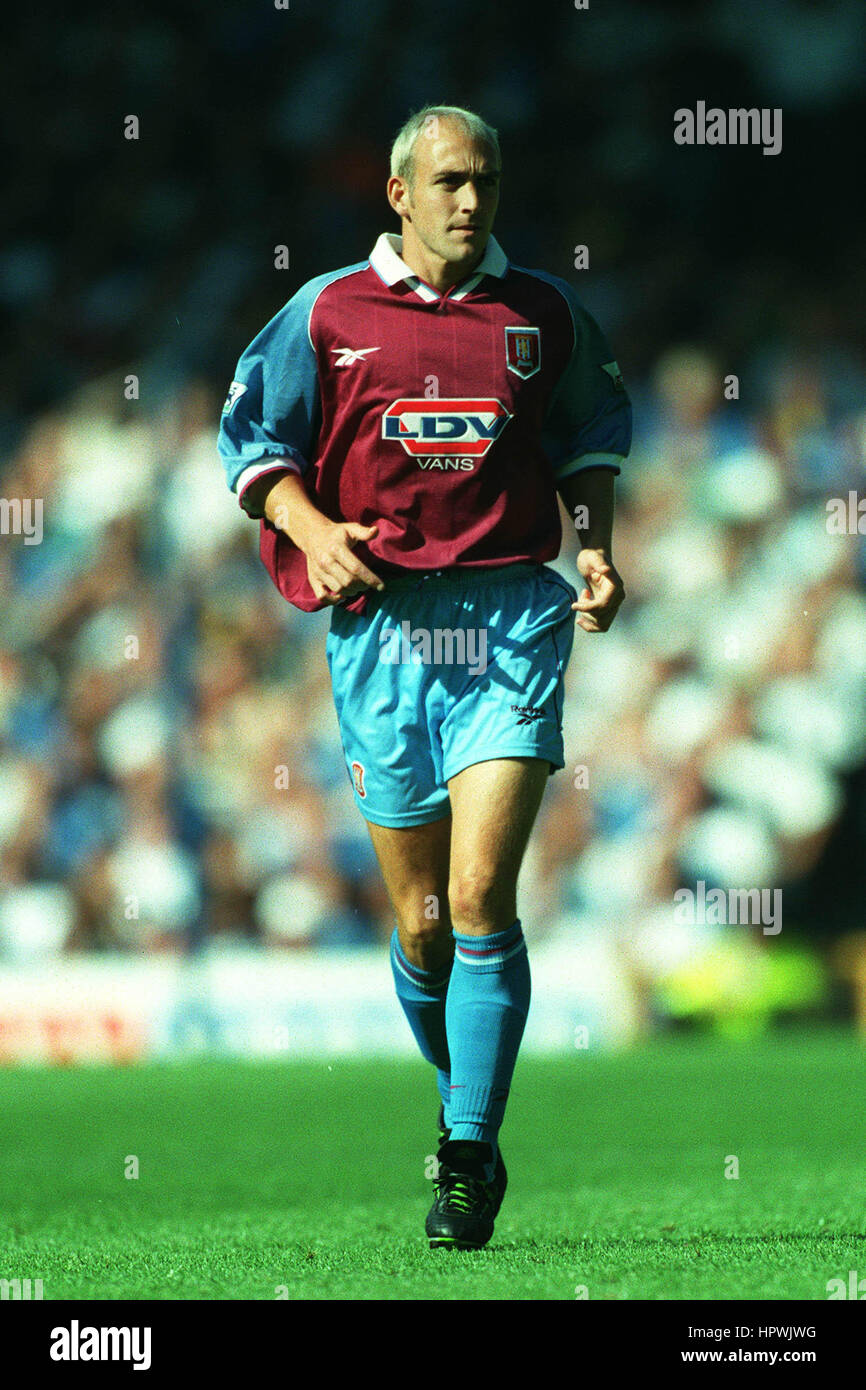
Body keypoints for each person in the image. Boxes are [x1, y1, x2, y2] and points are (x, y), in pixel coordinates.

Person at [217, 104, 631, 1250]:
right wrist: (309, 527)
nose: (470, 201)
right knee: (424, 916)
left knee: (484, 893)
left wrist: (591, 545)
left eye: (485, 182)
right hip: (383, 632)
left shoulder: (539, 312)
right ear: (397, 192)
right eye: (448, 181)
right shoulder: (326, 311)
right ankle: (469, 1111)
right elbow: (253, 443)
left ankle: (462, 1157)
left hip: (504, 619)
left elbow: (590, 432)